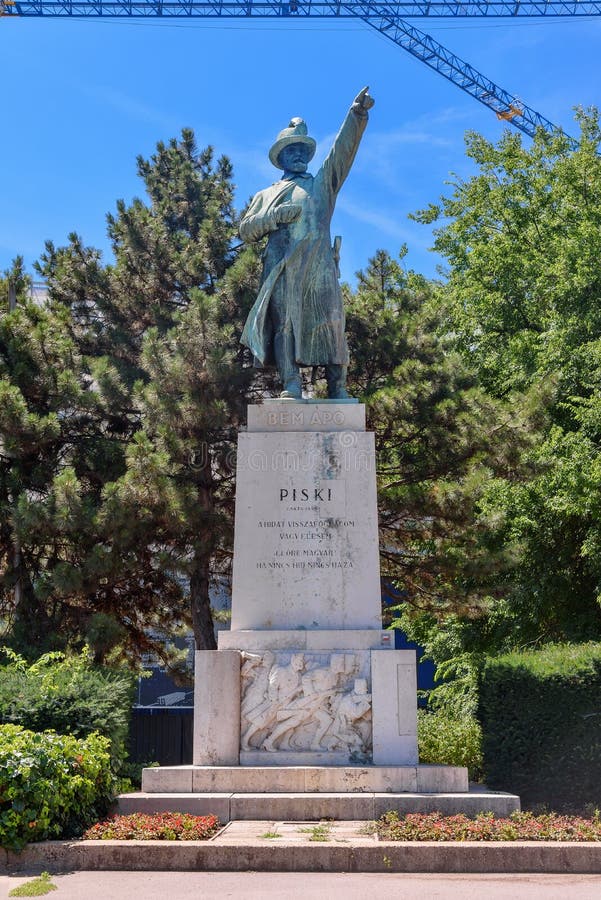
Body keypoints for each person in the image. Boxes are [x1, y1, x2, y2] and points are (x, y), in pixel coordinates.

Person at [239, 88, 375, 400]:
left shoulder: (321, 184)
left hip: (319, 266)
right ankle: (291, 384)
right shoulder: (265, 194)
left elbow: (341, 153)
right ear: (280, 157)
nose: (298, 154)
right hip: (284, 267)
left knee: (332, 322)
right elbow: (246, 230)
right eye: (292, 150)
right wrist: (273, 216)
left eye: (303, 149)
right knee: (285, 325)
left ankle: (338, 387)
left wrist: (357, 116)